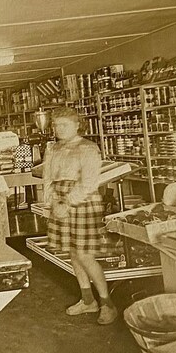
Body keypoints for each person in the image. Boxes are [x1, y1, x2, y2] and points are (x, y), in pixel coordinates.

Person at [42, 106, 118, 325]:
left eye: (64, 124)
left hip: (81, 203)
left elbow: (89, 183)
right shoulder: (53, 149)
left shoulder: (88, 148)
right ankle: (88, 300)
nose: (59, 128)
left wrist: (67, 202)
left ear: (77, 125)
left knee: (84, 255)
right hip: (59, 202)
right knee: (73, 254)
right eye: (56, 124)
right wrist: (52, 202)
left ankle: (107, 304)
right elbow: (48, 178)